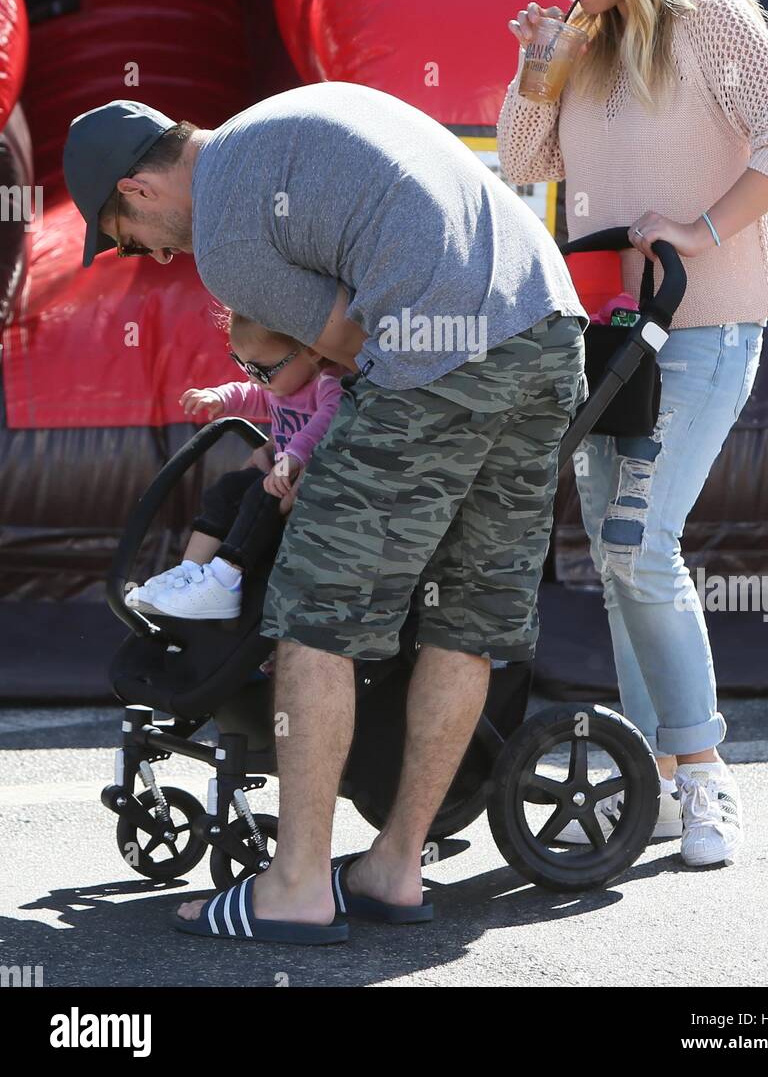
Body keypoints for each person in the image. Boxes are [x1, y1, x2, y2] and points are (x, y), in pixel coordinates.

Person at [62, 83, 588, 943]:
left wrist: (322, 462)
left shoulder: (227, 237)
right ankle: (394, 866)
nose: (154, 258)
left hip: (441, 354)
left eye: (131, 244)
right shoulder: (286, 117)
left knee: (312, 613)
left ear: (139, 190)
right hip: (549, 328)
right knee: (469, 617)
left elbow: (340, 352)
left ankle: (298, 886)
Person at [497, 0, 768, 867]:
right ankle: (647, 770)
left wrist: (700, 222)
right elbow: (521, 161)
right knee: (615, 556)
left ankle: (701, 774)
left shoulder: (709, 16)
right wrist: (536, 64)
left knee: (639, 547)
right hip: (612, 336)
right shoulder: (589, 34)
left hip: (703, 327)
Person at [125, 311, 345, 621]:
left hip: (308, 482)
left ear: (311, 350)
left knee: (259, 496)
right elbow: (249, 392)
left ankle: (224, 580)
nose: (255, 378)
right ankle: (189, 573)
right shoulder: (279, 384)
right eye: (244, 366)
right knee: (226, 490)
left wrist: (291, 457)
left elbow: (324, 423)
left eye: (262, 369)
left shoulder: (327, 384)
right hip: (280, 473)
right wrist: (219, 397)